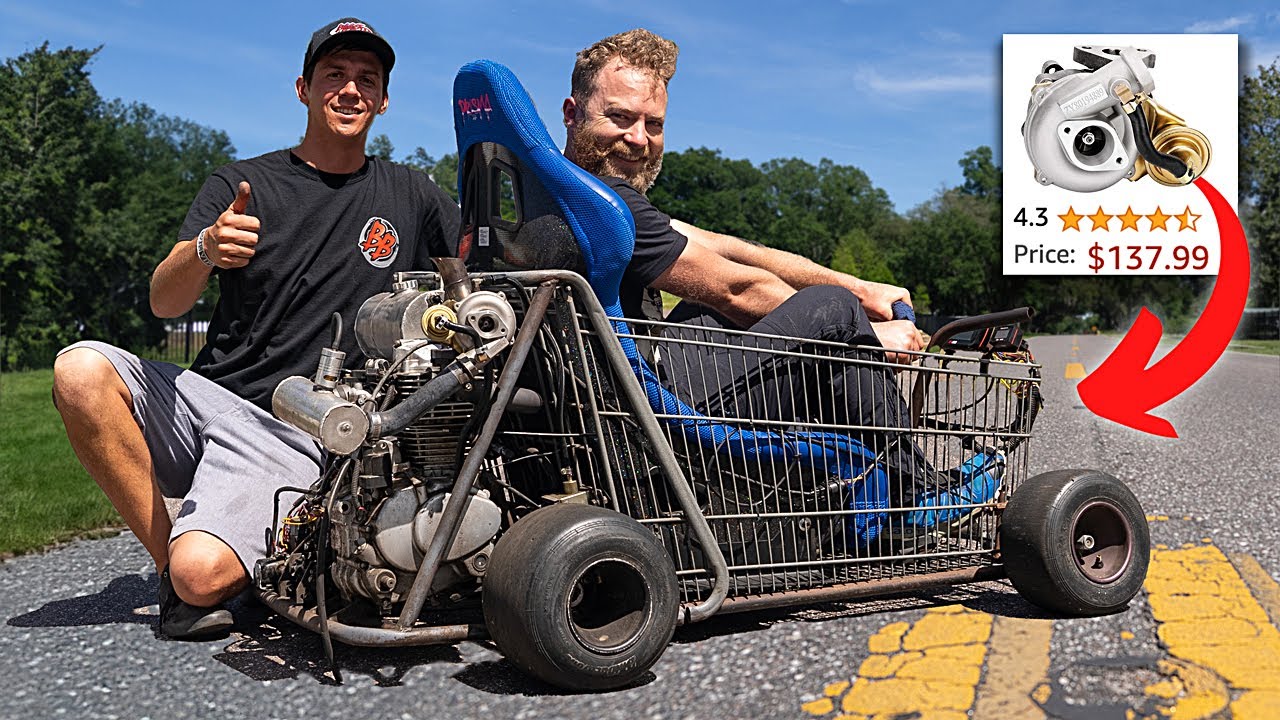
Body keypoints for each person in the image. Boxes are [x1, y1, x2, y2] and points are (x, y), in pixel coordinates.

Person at [50, 17, 460, 640]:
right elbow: (164, 300)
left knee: (204, 573)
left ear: (383, 100)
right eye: (334, 74)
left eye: (366, 79)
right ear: (303, 88)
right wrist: (206, 250)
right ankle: (174, 566)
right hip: (202, 395)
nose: (350, 89)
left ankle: (198, 563)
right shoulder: (244, 182)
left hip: (291, 427)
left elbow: (478, 272)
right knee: (78, 370)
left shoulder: (412, 194)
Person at [560, 29, 929, 481]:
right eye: (619, 117)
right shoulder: (606, 205)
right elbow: (736, 288)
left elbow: (726, 249)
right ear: (572, 114)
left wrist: (862, 287)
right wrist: (865, 332)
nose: (639, 139)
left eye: (653, 124)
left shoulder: (558, 189)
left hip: (611, 399)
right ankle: (916, 493)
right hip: (646, 422)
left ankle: (843, 483)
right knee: (831, 312)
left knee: (707, 308)